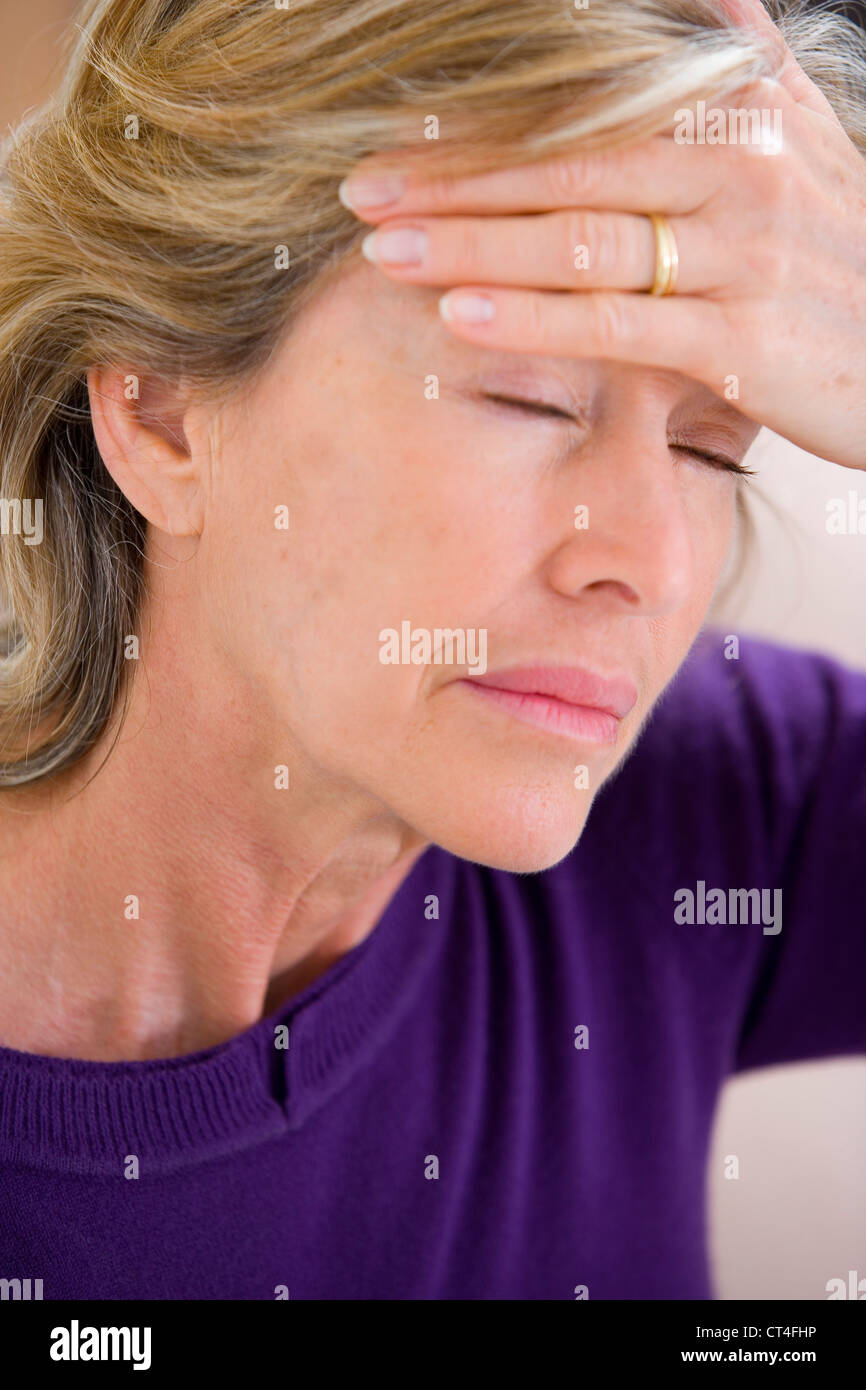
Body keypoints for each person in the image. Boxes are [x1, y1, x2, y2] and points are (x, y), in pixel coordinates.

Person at [0, 0, 864, 1300]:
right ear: (163, 412)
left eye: (706, 448)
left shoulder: (711, 810)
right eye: (526, 397)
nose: (644, 560)